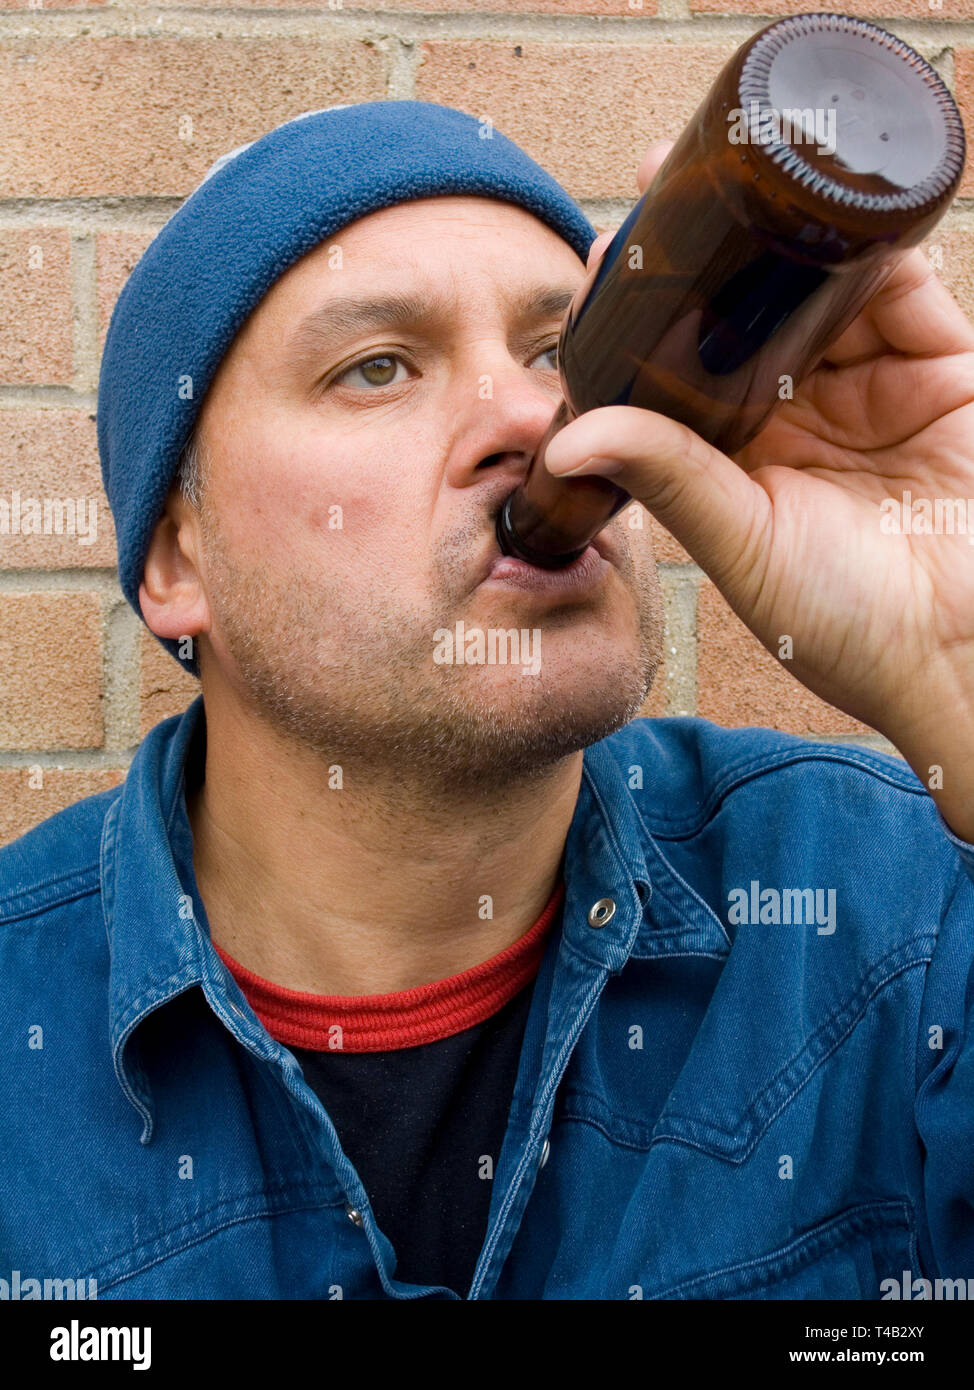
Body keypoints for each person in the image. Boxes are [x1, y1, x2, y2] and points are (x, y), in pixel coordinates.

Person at [2, 99, 973, 1302]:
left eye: (561, 350)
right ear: (176, 557)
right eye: (376, 368)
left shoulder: (891, 909)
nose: (531, 418)